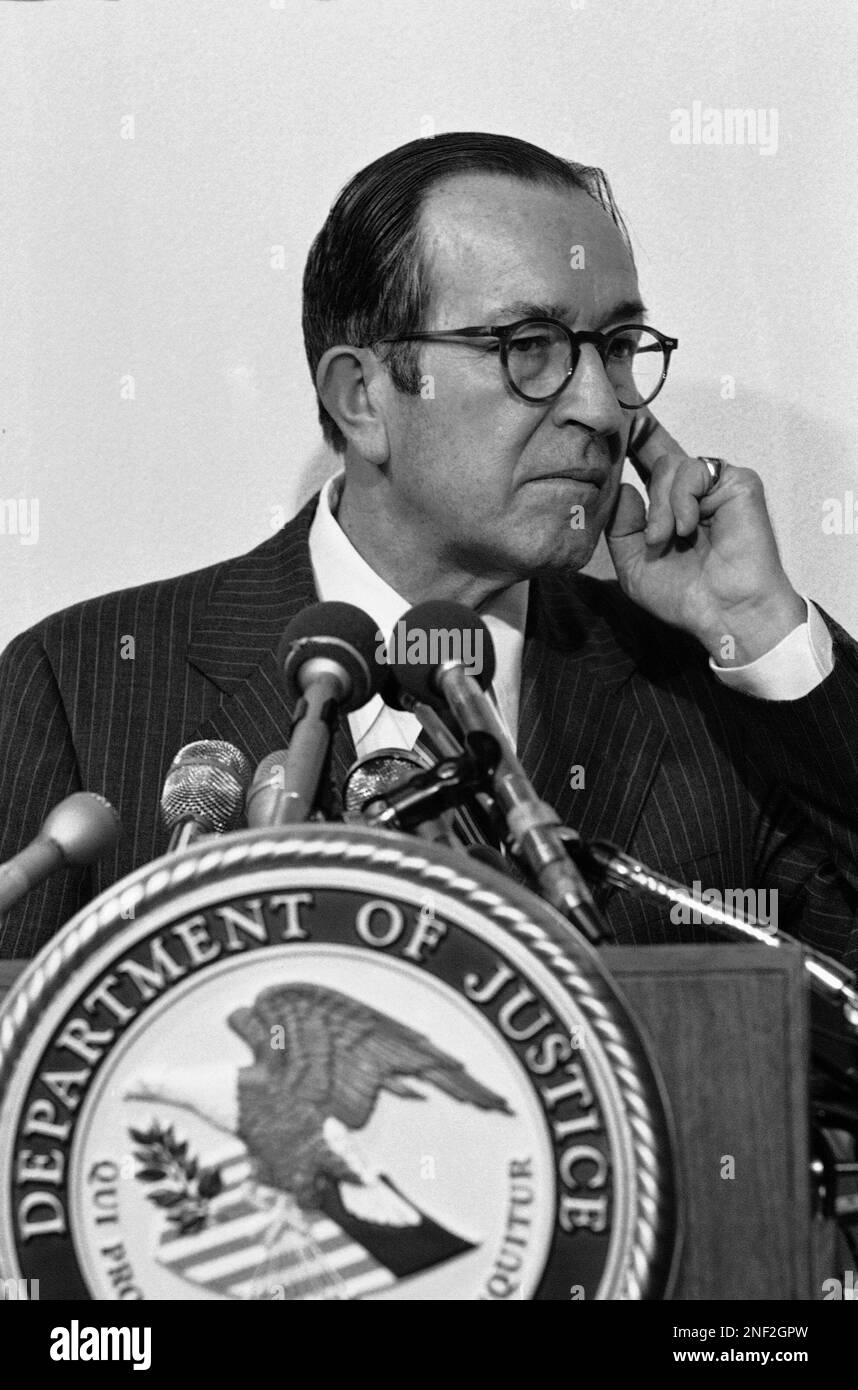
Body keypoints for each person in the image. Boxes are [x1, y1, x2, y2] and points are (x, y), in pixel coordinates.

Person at [1, 131, 856, 966]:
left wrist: (762, 630)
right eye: (531, 349)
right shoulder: (81, 685)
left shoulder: (700, 696)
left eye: (620, 349)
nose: (600, 409)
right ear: (362, 397)